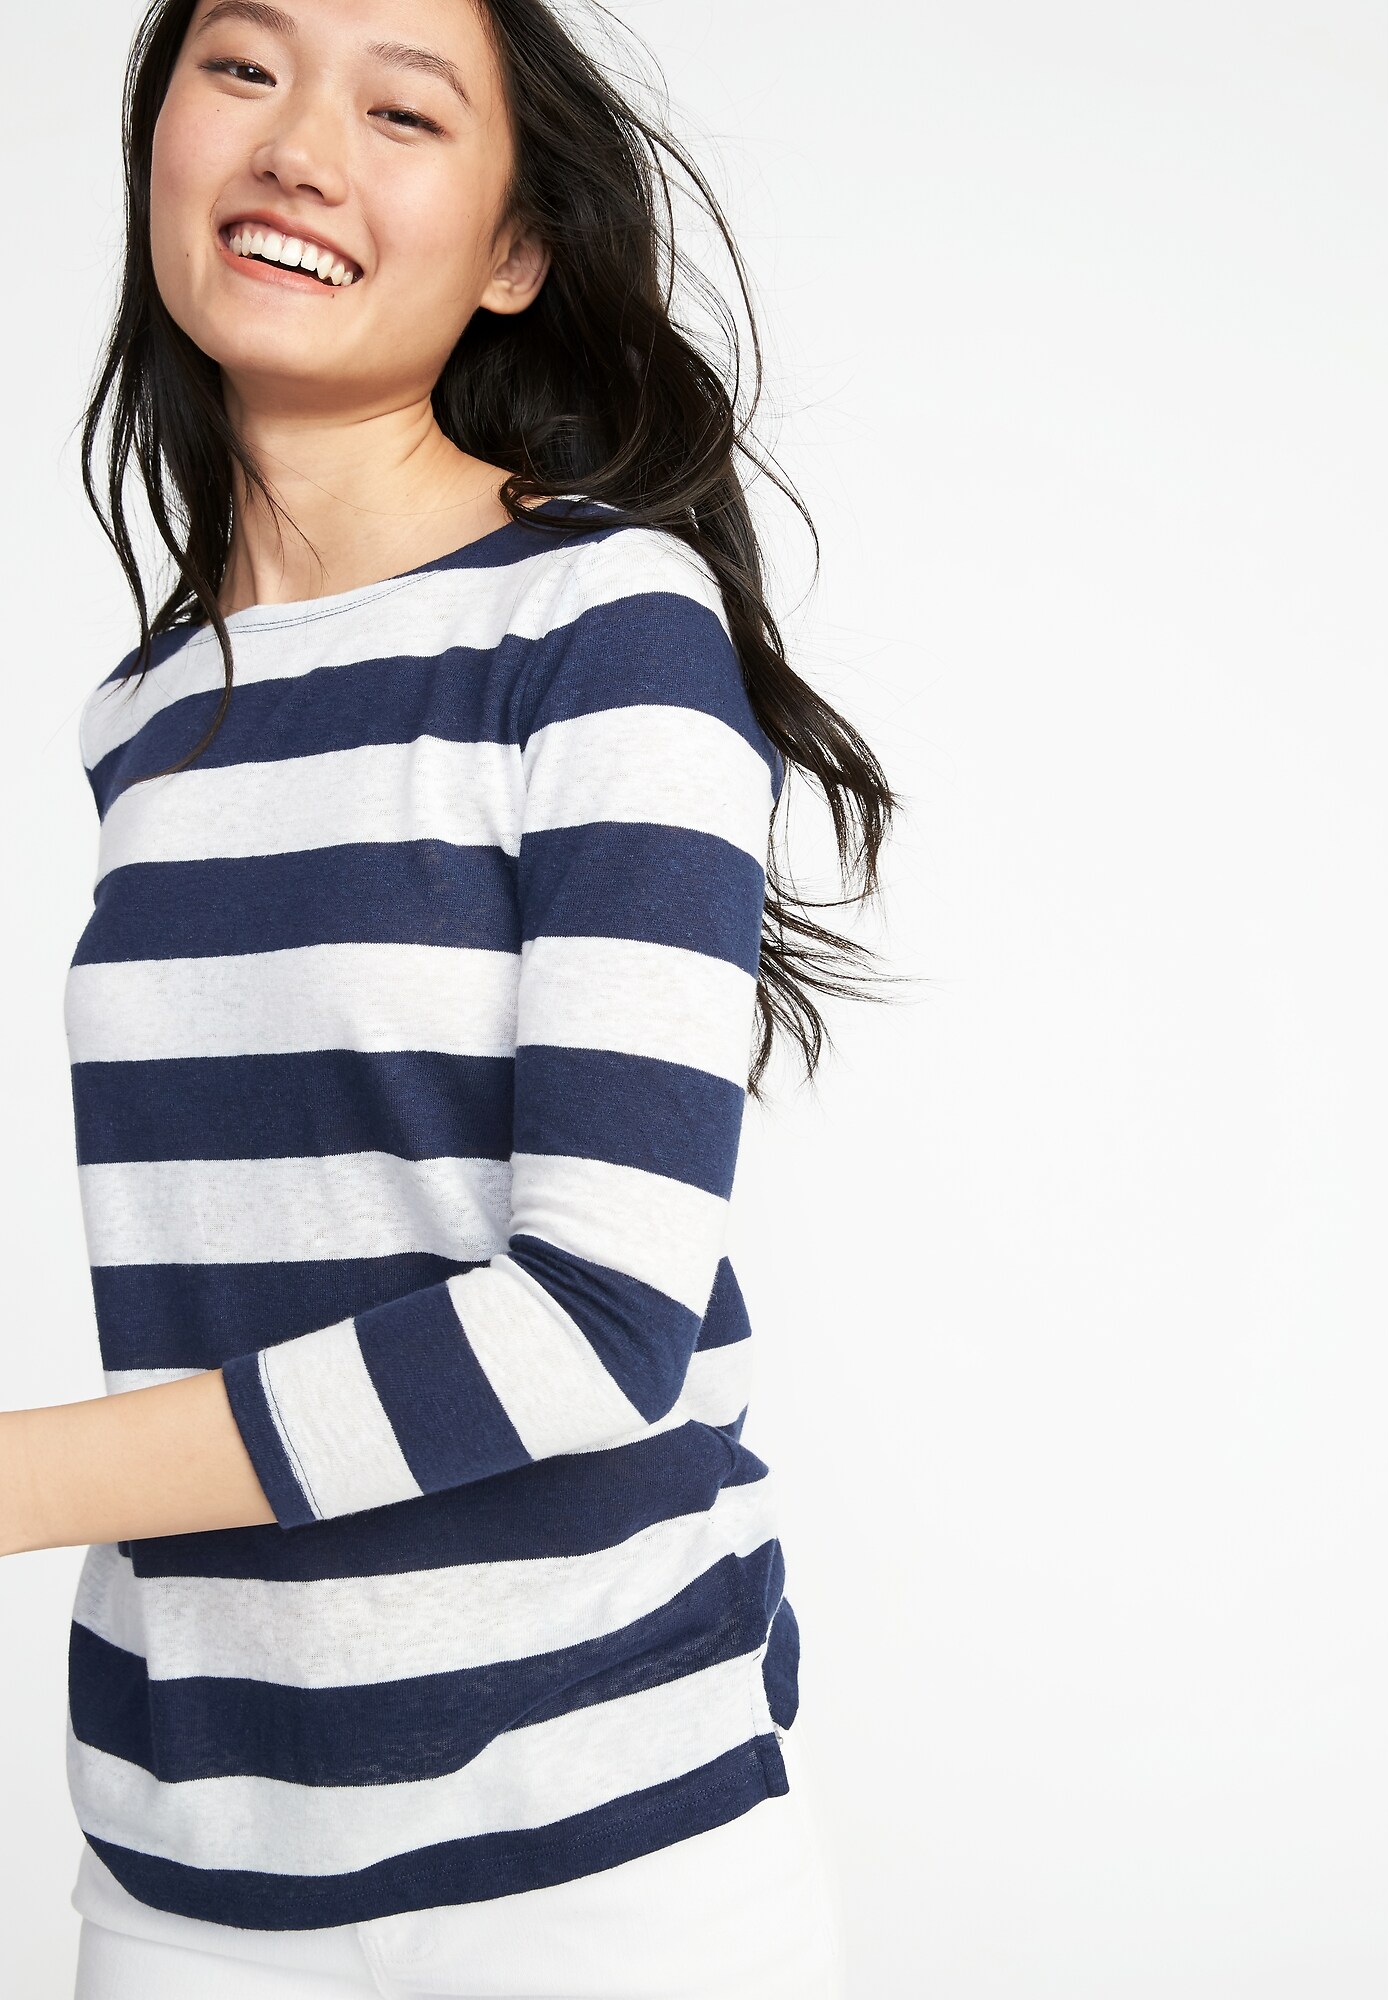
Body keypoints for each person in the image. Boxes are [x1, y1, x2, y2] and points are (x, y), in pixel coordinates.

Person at [1, 1, 901, 1993]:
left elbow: (597, 1323)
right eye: (242, 68)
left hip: (593, 1867)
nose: (299, 147)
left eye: (402, 110)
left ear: (514, 251)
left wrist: (17, 1477)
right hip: (186, 1860)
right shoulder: (146, 716)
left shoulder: (602, 626)